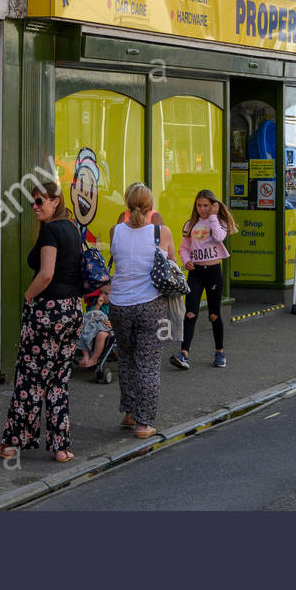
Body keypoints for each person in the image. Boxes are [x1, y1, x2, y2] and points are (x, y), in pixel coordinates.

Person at [0, 180, 85, 463]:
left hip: (48, 312)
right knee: (58, 381)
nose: (34, 207)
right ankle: (62, 448)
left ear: (56, 201)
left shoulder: (50, 232)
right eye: (33, 201)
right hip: (72, 310)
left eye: (40, 201)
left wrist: (28, 296)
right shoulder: (72, 228)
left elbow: (46, 274)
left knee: (30, 380)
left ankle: (11, 445)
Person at [106, 182, 175, 439]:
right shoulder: (161, 232)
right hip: (151, 305)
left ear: (126, 203)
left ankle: (129, 413)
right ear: (151, 206)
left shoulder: (116, 231)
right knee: (148, 363)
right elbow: (172, 264)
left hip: (119, 304)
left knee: (126, 359)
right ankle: (144, 424)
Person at [172, 190, 238, 370]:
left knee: (214, 314)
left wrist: (214, 217)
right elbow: (184, 248)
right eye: (199, 205)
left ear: (213, 206)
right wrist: (186, 261)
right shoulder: (190, 224)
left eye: (206, 205)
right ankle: (184, 354)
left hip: (214, 272)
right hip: (196, 273)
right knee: (190, 313)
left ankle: (220, 352)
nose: (202, 209)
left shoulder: (219, 223)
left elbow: (218, 237)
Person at [76, 290, 113, 368]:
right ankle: (85, 354)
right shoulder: (98, 304)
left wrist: (112, 323)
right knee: (83, 326)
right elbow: (90, 316)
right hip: (93, 327)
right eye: (101, 293)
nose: (101, 296)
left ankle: (94, 359)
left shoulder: (115, 306)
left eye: (105, 294)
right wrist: (98, 305)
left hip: (107, 329)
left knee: (101, 335)